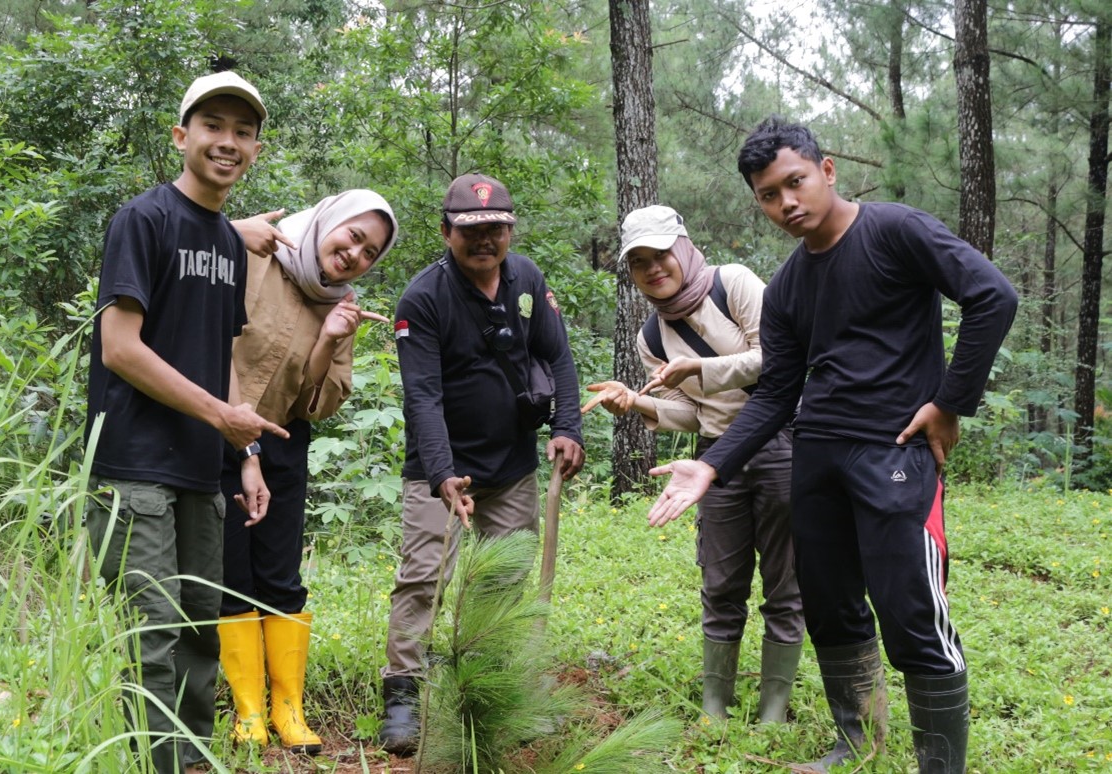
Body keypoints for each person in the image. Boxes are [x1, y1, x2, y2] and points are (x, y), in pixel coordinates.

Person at [646, 117, 1017, 773]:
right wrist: (711, 466)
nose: (786, 203)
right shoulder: (788, 285)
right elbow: (775, 394)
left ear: (826, 170)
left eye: (795, 182)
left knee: (910, 613)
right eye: (768, 195)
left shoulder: (895, 230)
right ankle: (855, 743)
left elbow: (992, 296)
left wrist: (949, 403)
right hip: (814, 460)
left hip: (893, 454)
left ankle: (940, 765)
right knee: (829, 609)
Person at [83, 70, 289, 774]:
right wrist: (221, 416)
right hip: (134, 462)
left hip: (203, 468)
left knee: (201, 624)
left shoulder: (229, 243)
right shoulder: (143, 220)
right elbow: (119, 347)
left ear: (256, 150)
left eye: (242, 132)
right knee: (152, 630)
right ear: (181, 136)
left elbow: (220, 351)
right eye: (213, 126)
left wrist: (246, 454)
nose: (227, 142)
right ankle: (152, 764)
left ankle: (191, 759)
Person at [378, 172, 586, 756]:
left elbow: (558, 357)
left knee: (503, 579)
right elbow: (423, 397)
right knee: (424, 578)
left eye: (495, 228)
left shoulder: (527, 279)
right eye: (471, 230)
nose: (484, 240)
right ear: (446, 232)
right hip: (439, 471)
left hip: (513, 466)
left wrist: (567, 428)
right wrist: (443, 474)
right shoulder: (422, 299)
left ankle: (491, 688)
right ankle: (404, 694)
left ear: (510, 231)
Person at [584, 204, 804, 722]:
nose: (653, 268)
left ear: (683, 248)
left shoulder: (734, 284)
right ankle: (715, 705)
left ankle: (774, 709)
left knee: (785, 580)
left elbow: (778, 357)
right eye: (638, 262)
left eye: (660, 254)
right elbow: (691, 412)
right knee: (721, 582)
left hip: (781, 443)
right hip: (716, 456)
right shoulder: (652, 336)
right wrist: (637, 403)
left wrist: (700, 367)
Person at [217, 191, 399, 754]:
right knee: (230, 571)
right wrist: (228, 231)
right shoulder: (255, 254)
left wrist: (329, 339)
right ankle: (248, 710)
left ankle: (288, 710)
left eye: (370, 253)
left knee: (280, 574)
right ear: (328, 221)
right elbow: (208, 332)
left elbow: (314, 405)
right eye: (353, 236)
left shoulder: (340, 306)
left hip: (282, 442)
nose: (355, 255)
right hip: (216, 429)